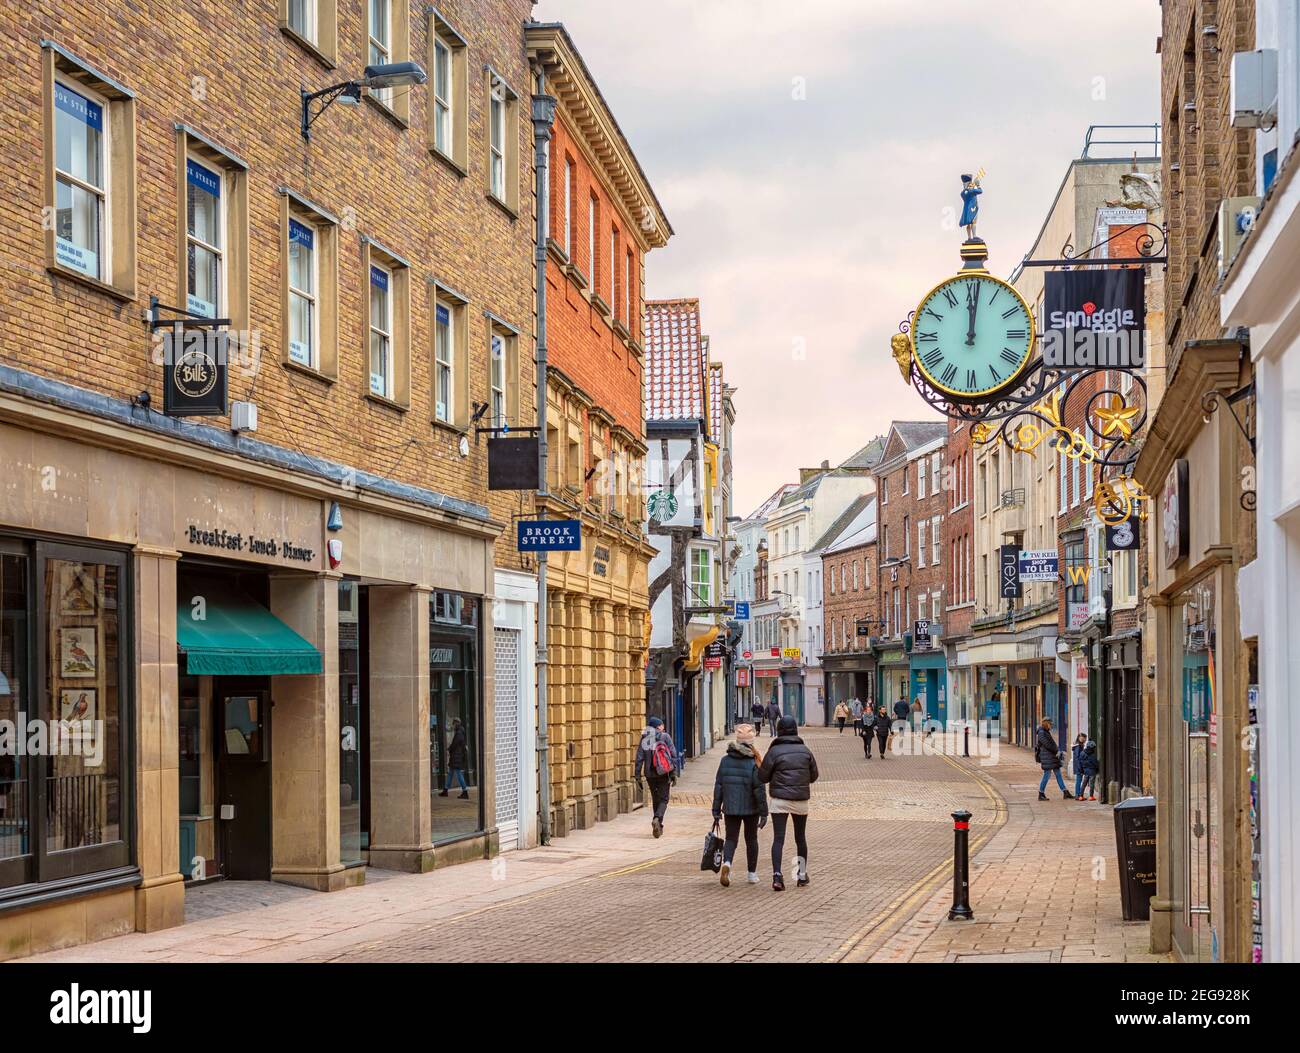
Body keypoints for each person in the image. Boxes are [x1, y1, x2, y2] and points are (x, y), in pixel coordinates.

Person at [757, 715, 819, 891]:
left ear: (779, 730)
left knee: (779, 839)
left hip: (779, 800)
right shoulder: (805, 751)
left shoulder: (774, 751)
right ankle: (801, 875)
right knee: (800, 838)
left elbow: (762, 776)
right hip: (800, 800)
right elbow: (814, 776)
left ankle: (777, 876)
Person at [712, 724, 769, 887]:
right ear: (751, 743)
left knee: (731, 838)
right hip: (751, 808)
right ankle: (752, 874)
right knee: (751, 839)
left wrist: (716, 810)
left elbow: (719, 786)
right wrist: (764, 812)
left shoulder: (724, 761)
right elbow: (759, 790)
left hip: (730, 806)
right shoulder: (754, 761)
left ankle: (727, 863)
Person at [634, 716, 679, 837]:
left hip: (650, 774)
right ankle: (657, 819)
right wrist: (674, 773)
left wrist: (637, 775)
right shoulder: (665, 737)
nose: (663, 726)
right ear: (658, 727)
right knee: (664, 799)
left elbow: (639, 758)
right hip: (664, 773)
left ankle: (658, 824)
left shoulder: (645, 738)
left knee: (655, 798)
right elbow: (673, 754)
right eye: (661, 725)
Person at [1035, 718, 1073, 800]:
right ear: (1046, 723)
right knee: (1047, 774)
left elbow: (1051, 744)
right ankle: (1041, 793)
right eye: (1050, 724)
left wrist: (1057, 750)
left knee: (1058, 774)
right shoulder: (1041, 732)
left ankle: (1065, 792)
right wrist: (1056, 750)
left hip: (1051, 756)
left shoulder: (1045, 731)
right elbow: (1047, 744)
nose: (1051, 726)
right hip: (1047, 757)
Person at [438, 718, 470, 799]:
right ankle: (445, 790)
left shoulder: (459, 733)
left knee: (458, 773)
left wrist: (449, 748)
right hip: (456, 756)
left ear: (456, 723)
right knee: (450, 773)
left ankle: (465, 791)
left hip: (456, 757)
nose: (453, 726)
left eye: (453, 724)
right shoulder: (460, 732)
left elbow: (455, 744)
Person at [1071, 732, 1088, 799]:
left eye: (1085, 738)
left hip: (1079, 766)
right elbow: (1077, 758)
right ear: (1079, 738)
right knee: (1078, 780)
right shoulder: (1078, 746)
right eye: (1083, 738)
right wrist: (1080, 767)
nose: (1084, 740)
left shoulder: (1079, 745)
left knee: (1079, 780)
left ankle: (1078, 794)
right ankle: (1077, 795)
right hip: (1079, 766)